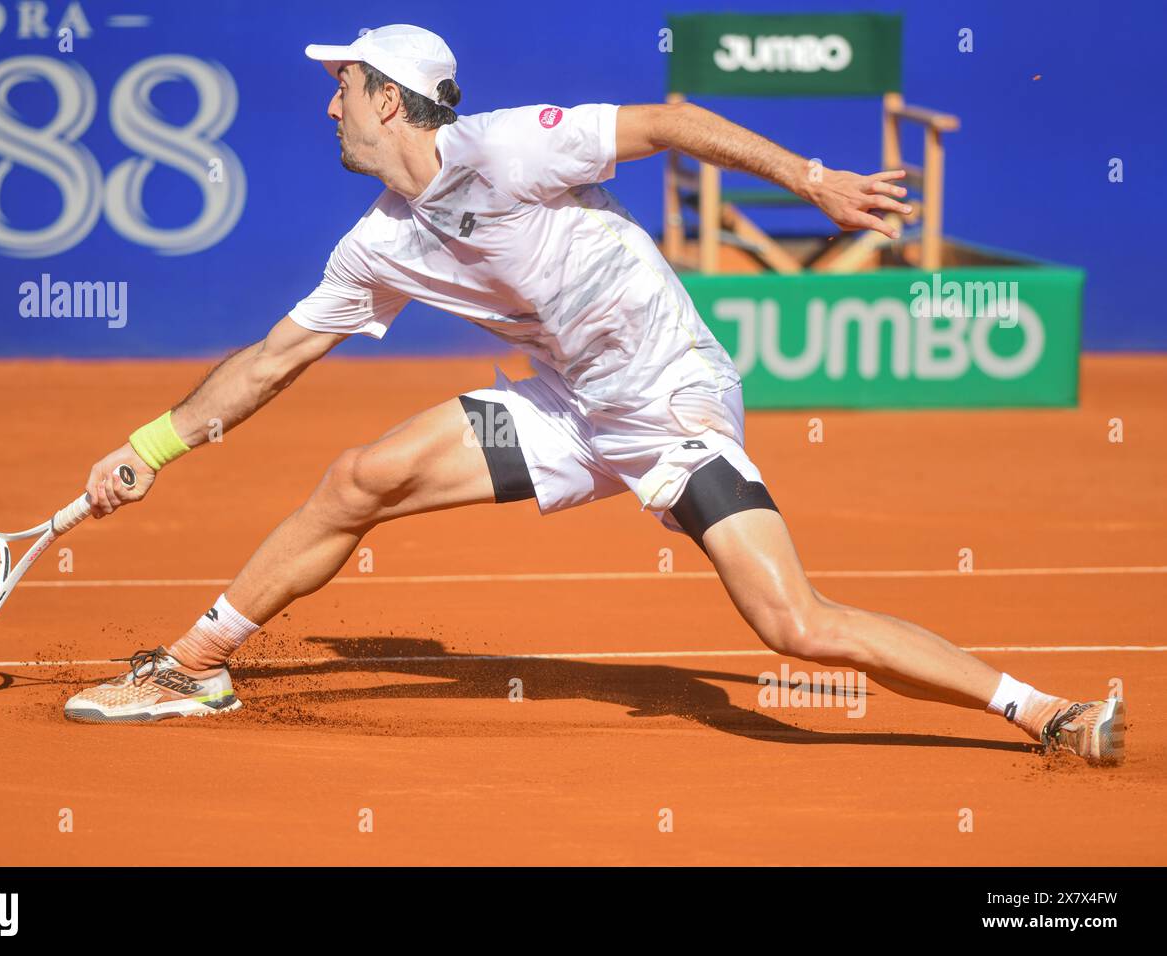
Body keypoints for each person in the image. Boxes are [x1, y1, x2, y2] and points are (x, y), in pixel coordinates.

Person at [63, 24, 1124, 765]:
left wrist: (809, 180)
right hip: (570, 405)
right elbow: (267, 360)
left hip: (669, 399)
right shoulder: (376, 246)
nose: (327, 102)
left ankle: (1042, 709)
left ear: (386, 97)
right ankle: (193, 664)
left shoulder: (506, 149)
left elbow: (664, 121)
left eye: (341, 84)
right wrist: (148, 447)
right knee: (359, 476)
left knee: (793, 624)